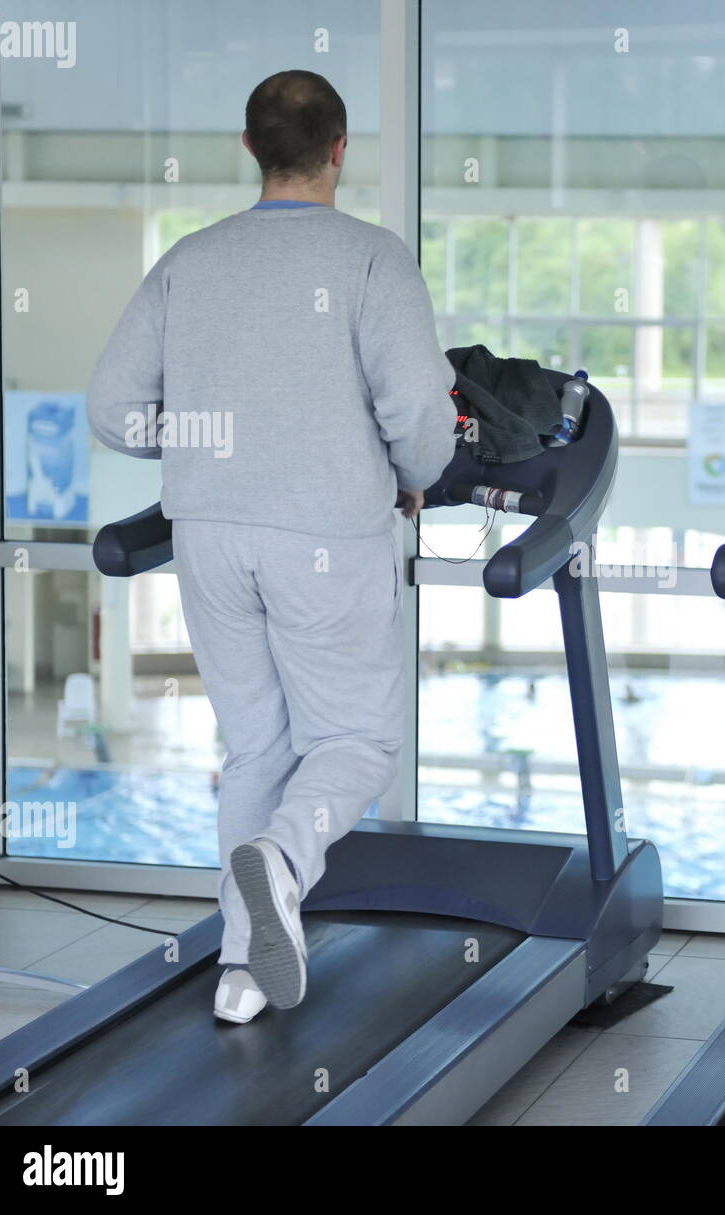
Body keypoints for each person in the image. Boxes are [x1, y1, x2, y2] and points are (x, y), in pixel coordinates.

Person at [87, 70, 457, 1024]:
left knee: (255, 745)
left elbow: (112, 410)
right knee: (356, 738)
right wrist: (415, 471)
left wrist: (214, 446)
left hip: (207, 532)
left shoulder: (190, 261)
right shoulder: (374, 258)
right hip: (326, 534)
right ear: (341, 150)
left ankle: (243, 973)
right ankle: (285, 860)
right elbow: (418, 414)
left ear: (250, 150)